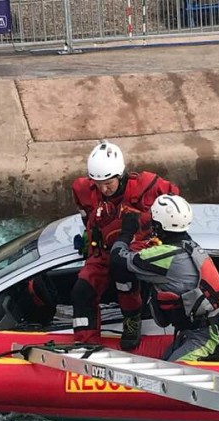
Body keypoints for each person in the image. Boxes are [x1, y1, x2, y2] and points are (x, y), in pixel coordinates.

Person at [110, 194, 219, 362]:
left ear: (158, 225)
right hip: (198, 331)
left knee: (171, 380)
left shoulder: (165, 256)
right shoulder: (189, 245)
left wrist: (126, 232)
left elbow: (117, 259)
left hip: (203, 338)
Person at [71, 140, 179, 350]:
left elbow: (173, 202)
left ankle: (132, 321)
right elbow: (87, 218)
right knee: (81, 290)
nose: (104, 189)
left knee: (125, 278)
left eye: (108, 183)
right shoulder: (83, 190)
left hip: (135, 250)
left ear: (120, 175)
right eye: (98, 183)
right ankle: (85, 344)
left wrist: (148, 223)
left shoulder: (147, 186)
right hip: (102, 252)